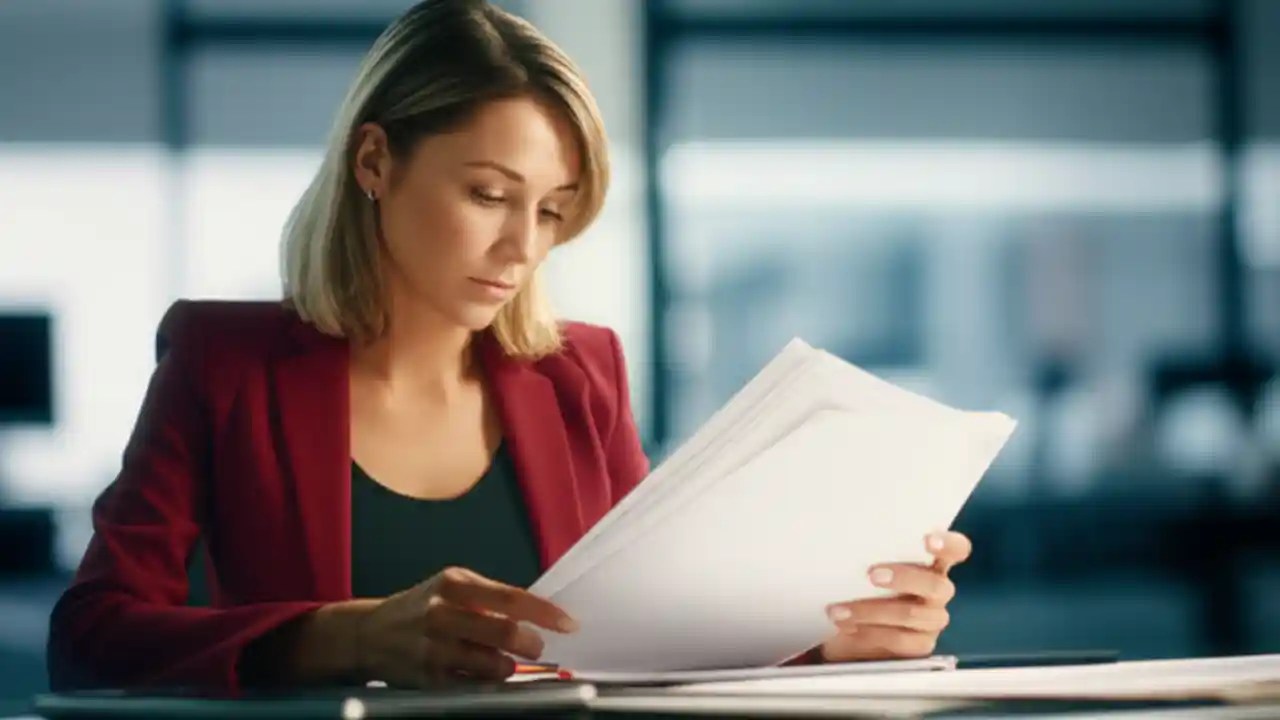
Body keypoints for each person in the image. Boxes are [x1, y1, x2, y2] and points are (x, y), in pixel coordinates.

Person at [46, 0, 972, 693]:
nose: (522, 247)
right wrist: (346, 636)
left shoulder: (580, 373)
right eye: (489, 194)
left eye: (551, 210)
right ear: (374, 163)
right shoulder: (224, 361)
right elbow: (90, 637)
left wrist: (836, 640)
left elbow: (651, 633)